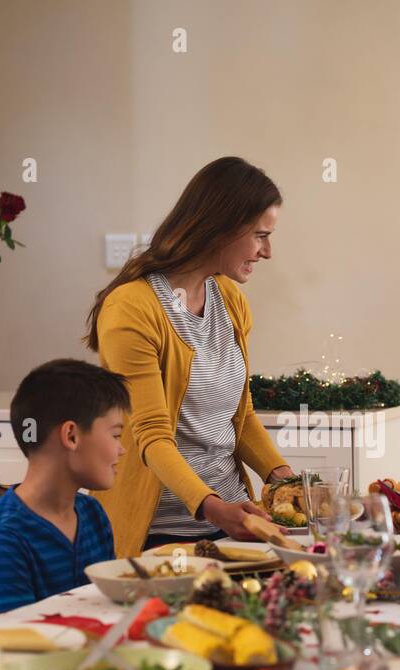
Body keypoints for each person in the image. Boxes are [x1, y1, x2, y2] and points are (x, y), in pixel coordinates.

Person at [84, 157, 294, 556]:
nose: (267, 252)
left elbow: (241, 415)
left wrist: (281, 477)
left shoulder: (230, 300)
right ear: (224, 228)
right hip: (160, 532)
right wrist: (213, 509)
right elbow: (151, 435)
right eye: (260, 236)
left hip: (233, 521)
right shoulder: (132, 308)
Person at [0, 359, 128, 615]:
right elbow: (11, 646)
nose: (122, 449)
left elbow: (110, 609)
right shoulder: (1, 539)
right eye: (116, 435)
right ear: (71, 435)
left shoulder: (93, 514)